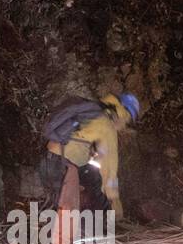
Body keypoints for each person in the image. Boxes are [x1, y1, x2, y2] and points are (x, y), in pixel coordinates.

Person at [39, 93, 140, 221]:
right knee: (81, 199)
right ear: (124, 113)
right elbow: (109, 168)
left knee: (59, 205)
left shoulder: (92, 112)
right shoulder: (106, 126)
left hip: (49, 158)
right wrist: (113, 199)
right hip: (64, 165)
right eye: (128, 120)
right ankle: (103, 223)